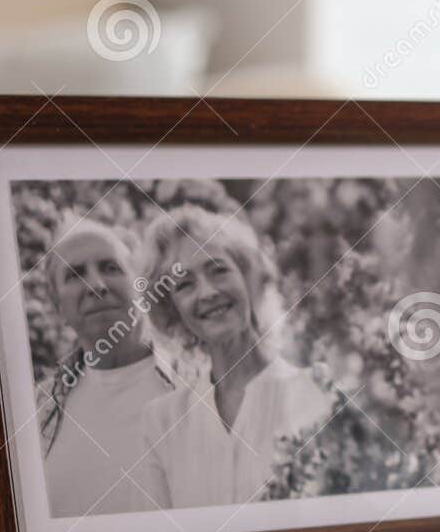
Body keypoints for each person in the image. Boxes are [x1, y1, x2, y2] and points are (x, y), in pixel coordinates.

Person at [138, 204, 334, 509]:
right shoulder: (163, 421)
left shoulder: (315, 393)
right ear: (172, 309)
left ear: (249, 277)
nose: (207, 293)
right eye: (185, 284)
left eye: (219, 270)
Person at [37, 214, 173, 518]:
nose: (96, 285)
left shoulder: (197, 387)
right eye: (75, 275)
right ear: (59, 307)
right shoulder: (36, 413)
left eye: (111, 268)